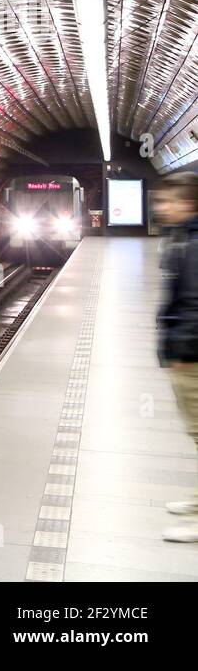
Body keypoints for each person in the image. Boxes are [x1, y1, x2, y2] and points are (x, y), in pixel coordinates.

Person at [153, 173, 198, 541]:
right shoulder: (184, 237)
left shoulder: (194, 243)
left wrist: (182, 348)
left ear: (186, 204)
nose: (160, 208)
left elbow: (195, 303)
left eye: (167, 201)